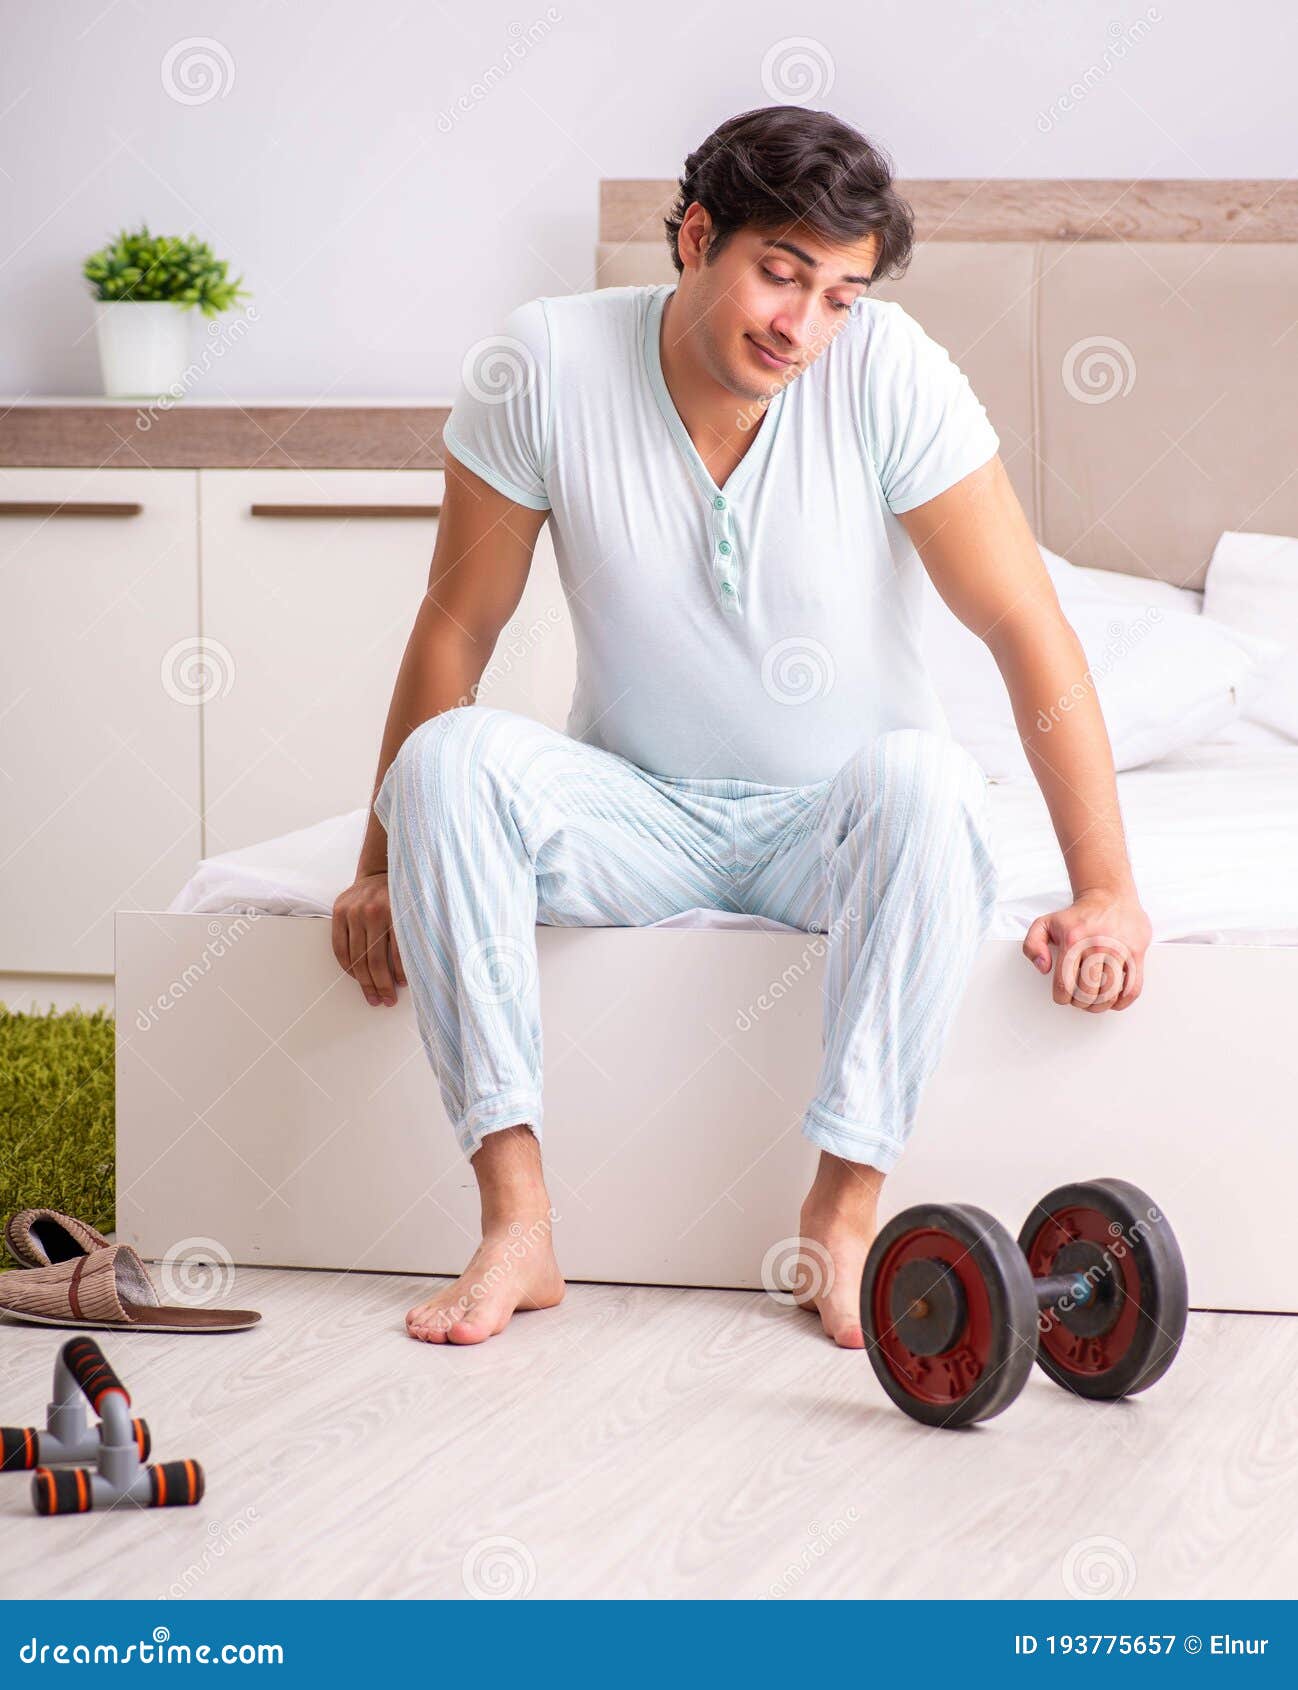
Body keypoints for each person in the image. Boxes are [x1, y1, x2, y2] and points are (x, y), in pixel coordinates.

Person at [331, 105, 1152, 1349]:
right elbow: (457, 627)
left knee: (929, 782)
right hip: (635, 815)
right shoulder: (542, 363)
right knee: (447, 763)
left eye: (838, 297)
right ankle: (517, 1222)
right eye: (779, 274)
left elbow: (1022, 627)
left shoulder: (887, 371)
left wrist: (1106, 889)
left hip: (831, 830)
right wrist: (379, 864)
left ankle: (841, 1215)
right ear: (695, 237)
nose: (801, 326)